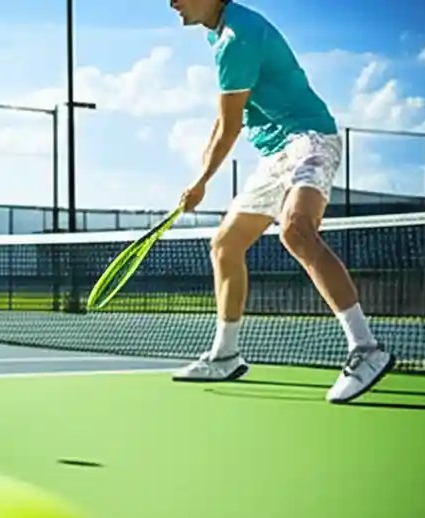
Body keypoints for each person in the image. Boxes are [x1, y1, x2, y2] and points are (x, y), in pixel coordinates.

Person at [168, 0, 395, 403]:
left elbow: (229, 127)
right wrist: (199, 179)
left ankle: (367, 349)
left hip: (309, 138)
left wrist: (202, 181)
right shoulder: (217, 35)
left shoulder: (238, 37)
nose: (170, 2)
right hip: (274, 154)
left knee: (296, 231)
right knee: (225, 245)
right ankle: (226, 354)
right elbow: (226, 120)